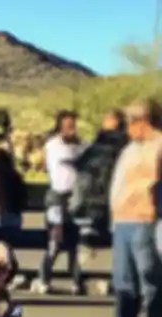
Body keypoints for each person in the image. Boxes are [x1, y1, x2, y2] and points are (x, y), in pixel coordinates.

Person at [104, 100, 162, 317]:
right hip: (123, 220)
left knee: (150, 279)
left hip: (146, 219)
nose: (127, 128)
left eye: (130, 122)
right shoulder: (130, 149)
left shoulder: (159, 146)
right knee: (123, 278)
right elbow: (118, 183)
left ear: (143, 121)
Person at [71, 110, 129, 292]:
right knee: (118, 243)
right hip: (117, 201)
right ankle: (113, 281)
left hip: (92, 201)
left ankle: (78, 280)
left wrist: (76, 203)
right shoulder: (126, 147)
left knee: (87, 242)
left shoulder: (94, 147)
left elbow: (80, 172)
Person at [33, 111, 85, 295]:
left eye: (73, 125)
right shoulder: (53, 145)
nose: (71, 129)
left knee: (74, 242)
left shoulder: (81, 147)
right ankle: (43, 278)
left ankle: (77, 281)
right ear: (60, 126)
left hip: (76, 199)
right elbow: (44, 163)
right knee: (55, 241)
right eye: (68, 125)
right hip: (57, 198)